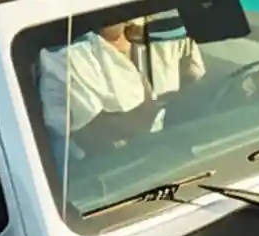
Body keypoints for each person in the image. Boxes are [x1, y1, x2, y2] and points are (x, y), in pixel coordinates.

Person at [36, 15, 205, 156]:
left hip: (183, 161)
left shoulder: (167, 29)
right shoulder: (63, 56)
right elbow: (91, 139)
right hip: (110, 182)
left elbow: (196, 86)